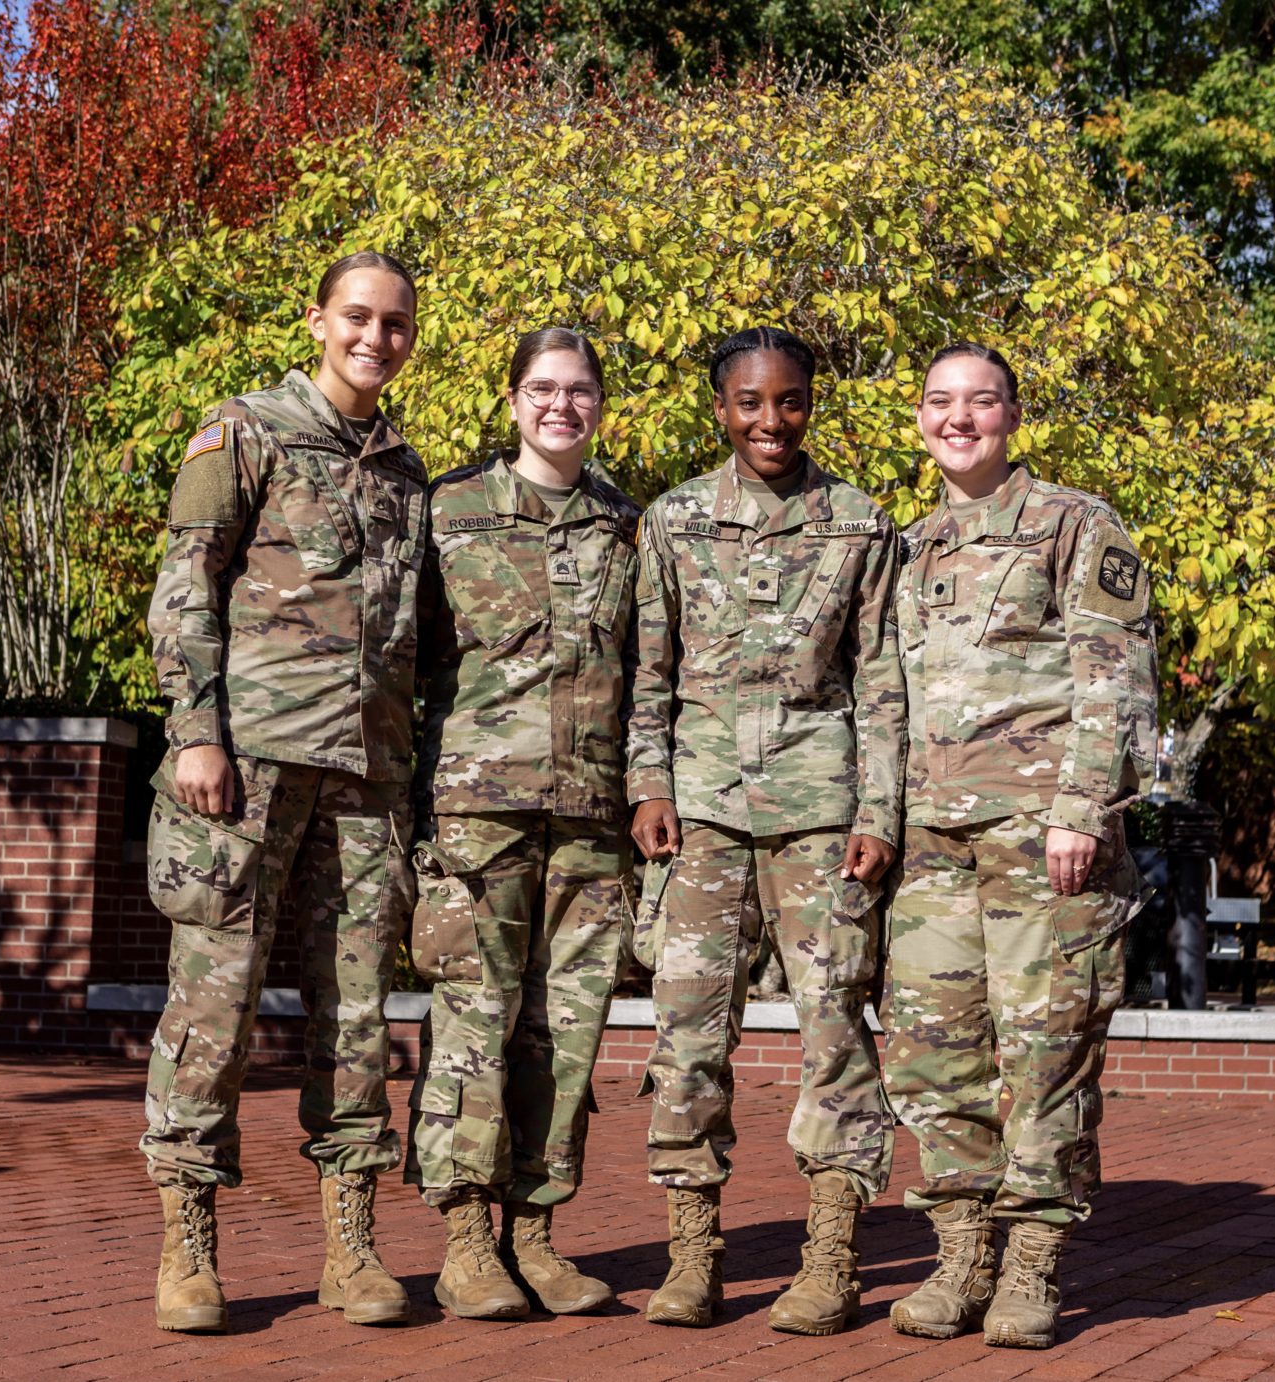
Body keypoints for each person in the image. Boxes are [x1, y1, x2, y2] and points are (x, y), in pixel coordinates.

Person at [139, 251, 428, 1334]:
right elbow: (185, 585)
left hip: (365, 780)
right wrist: (196, 733)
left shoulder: (404, 468)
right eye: (357, 316)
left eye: (394, 323)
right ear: (317, 320)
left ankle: (350, 1245)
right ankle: (188, 1243)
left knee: (355, 1014)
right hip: (246, 772)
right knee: (212, 1009)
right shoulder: (245, 429)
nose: (374, 337)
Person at [626, 325, 906, 1335]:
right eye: (749, 402)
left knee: (835, 1028)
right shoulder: (672, 520)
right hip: (700, 813)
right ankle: (691, 1254)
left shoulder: (859, 524)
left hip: (820, 814)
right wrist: (645, 785)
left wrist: (879, 809)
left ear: (810, 405)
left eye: (788, 400)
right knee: (687, 1034)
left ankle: (830, 1256)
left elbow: (881, 682)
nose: (770, 420)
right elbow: (647, 672)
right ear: (721, 410)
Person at [879, 343, 1156, 1349]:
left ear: (1012, 415)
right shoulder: (907, 547)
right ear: (920, 417)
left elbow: (1115, 675)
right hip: (928, 843)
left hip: (1042, 840)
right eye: (939, 401)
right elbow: (882, 697)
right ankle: (960, 1255)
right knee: (933, 1054)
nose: (959, 418)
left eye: (981, 401)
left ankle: (1032, 1261)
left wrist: (1082, 806)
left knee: (1045, 1054)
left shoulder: (1074, 523)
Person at [405, 327, 643, 1320]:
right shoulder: (448, 512)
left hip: (588, 818)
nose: (560, 405)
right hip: (475, 813)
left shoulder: (626, 526)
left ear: (599, 405)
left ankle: (535, 1233)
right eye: (542, 388)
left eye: (579, 390)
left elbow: (644, 673)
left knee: (567, 1033)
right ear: (511, 401)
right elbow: (404, 659)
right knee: (474, 1022)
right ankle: (465, 1241)